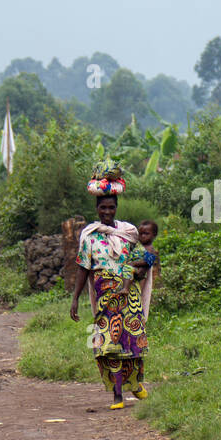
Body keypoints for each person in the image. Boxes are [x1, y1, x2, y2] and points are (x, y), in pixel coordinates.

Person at [69, 160, 150, 409]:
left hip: (130, 296)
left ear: (116, 207)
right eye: (103, 208)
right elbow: (84, 268)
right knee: (108, 345)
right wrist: (75, 299)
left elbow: (144, 256)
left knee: (134, 340)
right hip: (105, 296)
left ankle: (135, 383)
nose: (107, 212)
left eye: (111, 208)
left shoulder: (128, 232)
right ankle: (117, 395)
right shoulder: (90, 237)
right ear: (97, 208)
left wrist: (140, 268)